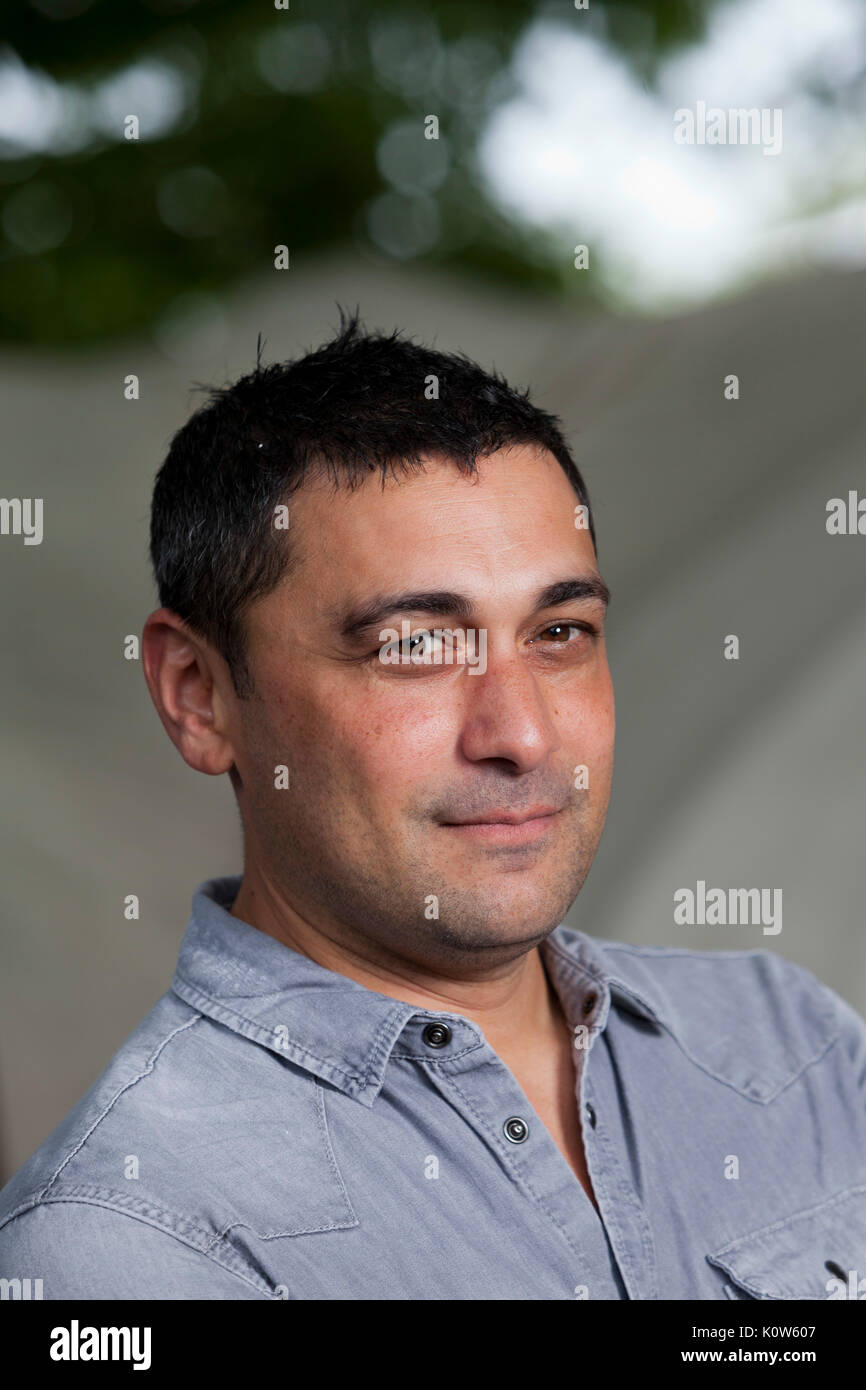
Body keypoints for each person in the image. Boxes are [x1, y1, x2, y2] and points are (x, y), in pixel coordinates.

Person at [1, 308, 865, 1301]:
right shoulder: (126, 1246)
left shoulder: (788, 1043)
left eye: (559, 633)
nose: (522, 735)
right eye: (413, 644)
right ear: (198, 694)